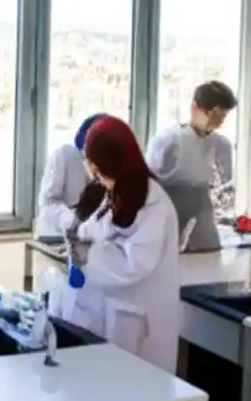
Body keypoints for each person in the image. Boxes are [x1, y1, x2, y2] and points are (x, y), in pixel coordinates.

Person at [59, 116, 180, 373]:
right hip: (114, 318)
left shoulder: (152, 202)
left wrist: (88, 255)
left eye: (95, 164)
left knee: (140, 396)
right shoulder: (119, 191)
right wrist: (79, 238)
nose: (92, 170)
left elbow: (135, 264)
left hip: (139, 325)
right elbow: (97, 230)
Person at [146, 81, 237, 251]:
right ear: (195, 107)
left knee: (208, 258)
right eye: (213, 114)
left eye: (223, 116)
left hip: (203, 212)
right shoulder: (166, 141)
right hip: (168, 209)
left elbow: (226, 184)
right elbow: (148, 182)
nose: (217, 121)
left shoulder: (221, 145)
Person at [35, 113, 108, 240]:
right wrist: (74, 223)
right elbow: (49, 203)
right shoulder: (64, 156)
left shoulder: (114, 166)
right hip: (56, 236)